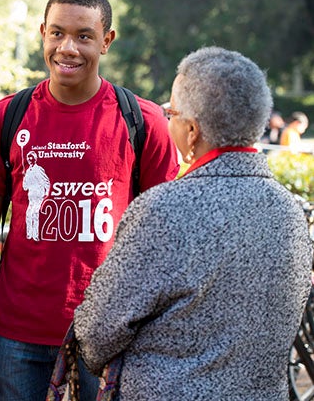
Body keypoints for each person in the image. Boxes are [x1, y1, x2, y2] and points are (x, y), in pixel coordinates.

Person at [0, 0, 179, 400]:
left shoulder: (143, 122)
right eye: (57, 33)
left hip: (111, 335)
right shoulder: (4, 118)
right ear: (43, 32)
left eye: (84, 36)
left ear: (106, 41)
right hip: (17, 335)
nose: (68, 48)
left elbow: (164, 238)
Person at [74, 46, 312, 400]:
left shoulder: (162, 210)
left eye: (171, 112)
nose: (166, 119)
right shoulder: (289, 211)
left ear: (192, 130)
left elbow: (96, 331)